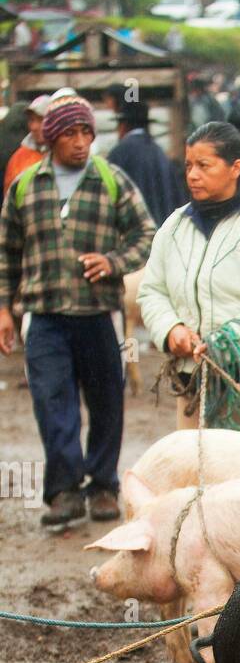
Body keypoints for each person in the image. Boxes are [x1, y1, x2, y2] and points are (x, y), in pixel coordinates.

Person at [0, 91, 154, 527]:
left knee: (106, 400)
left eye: (87, 131)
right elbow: (6, 251)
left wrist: (113, 263)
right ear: (51, 138)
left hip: (99, 314)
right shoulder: (26, 186)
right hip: (44, 316)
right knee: (52, 401)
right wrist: (5, 310)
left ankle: (103, 486)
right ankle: (64, 490)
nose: (81, 141)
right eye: (70, 133)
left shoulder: (111, 180)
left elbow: (146, 233)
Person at [138, 122, 240, 434]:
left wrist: (224, 344)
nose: (192, 175)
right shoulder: (175, 226)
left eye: (203, 165)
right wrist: (171, 331)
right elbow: (152, 291)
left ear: (236, 167)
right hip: (192, 378)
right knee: (197, 474)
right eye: (188, 165)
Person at [107, 97, 186, 227]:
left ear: (123, 125)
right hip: (164, 232)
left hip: (136, 234)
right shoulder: (159, 152)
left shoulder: (119, 153)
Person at [3, 96, 50, 195]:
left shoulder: (65, 153)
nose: (34, 127)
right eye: (31, 120)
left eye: (40, 119)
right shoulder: (18, 158)